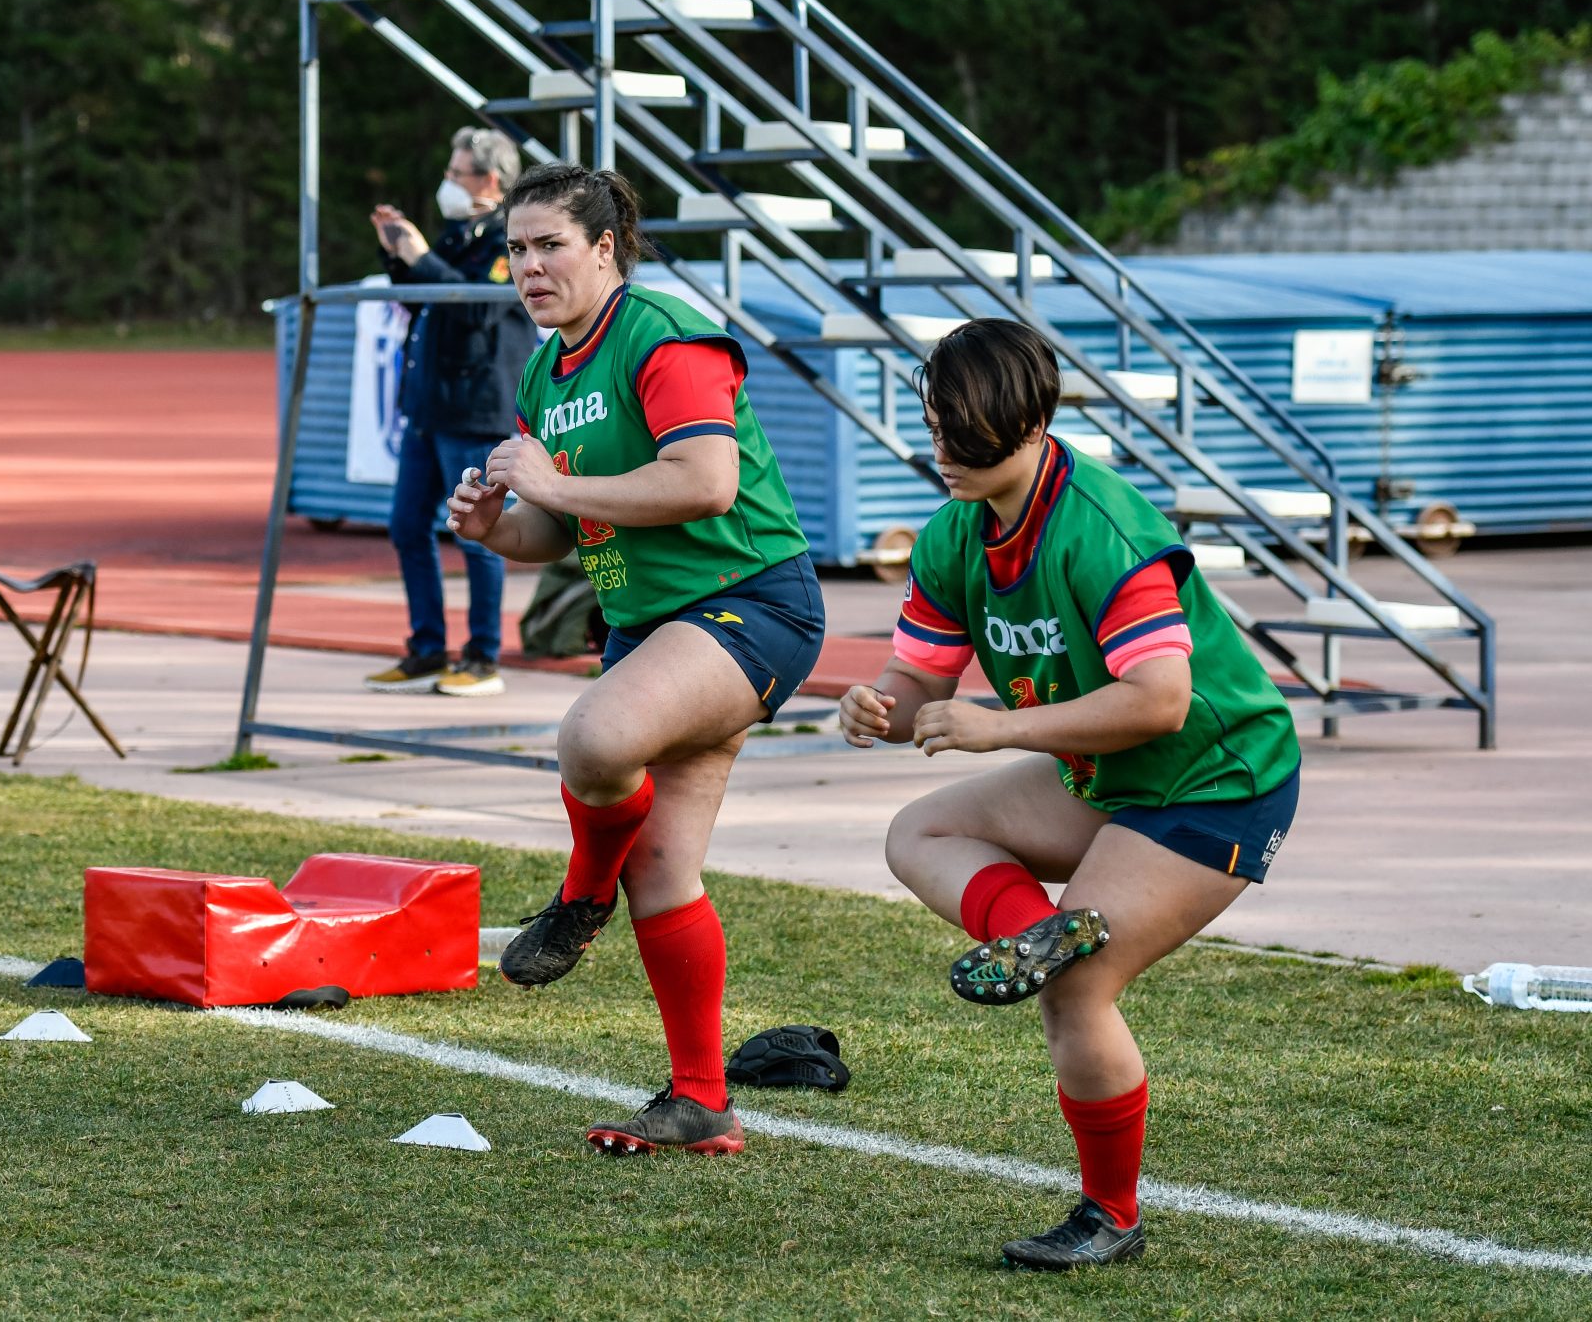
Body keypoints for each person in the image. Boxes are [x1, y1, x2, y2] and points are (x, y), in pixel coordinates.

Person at [838, 319, 1301, 1269]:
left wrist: (999, 725)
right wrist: (874, 706)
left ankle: (1111, 1215)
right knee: (920, 828)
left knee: (1080, 988)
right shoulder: (955, 532)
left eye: (965, 432)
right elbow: (917, 690)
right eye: (936, 428)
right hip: (1111, 770)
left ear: (1034, 420)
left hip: (1217, 777)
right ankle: (1031, 937)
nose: (946, 454)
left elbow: (1163, 702)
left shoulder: (1102, 525)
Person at [446, 163, 824, 1156]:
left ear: (605, 248)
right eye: (516, 250)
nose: (527, 267)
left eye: (548, 246)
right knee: (661, 866)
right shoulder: (544, 373)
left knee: (595, 735)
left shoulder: (659, 334)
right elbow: (552, 537)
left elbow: (704, 482)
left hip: (749, 602)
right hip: (650, 625)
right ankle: (701, 1101)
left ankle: (578, 894)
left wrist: (553, 490)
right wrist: (496, 528)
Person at [364, 127, 534, 697]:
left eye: (456, 174)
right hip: (429, 406)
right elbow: (425, 298)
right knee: (407, 526)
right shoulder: (460, 232)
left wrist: (421, 257)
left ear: (488, 180)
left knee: (478, 533)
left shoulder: (511, 238)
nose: (447, 184)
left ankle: (482, 657)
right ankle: (427, 648)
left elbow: (474, 313)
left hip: (477, 407)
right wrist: (398, 255)